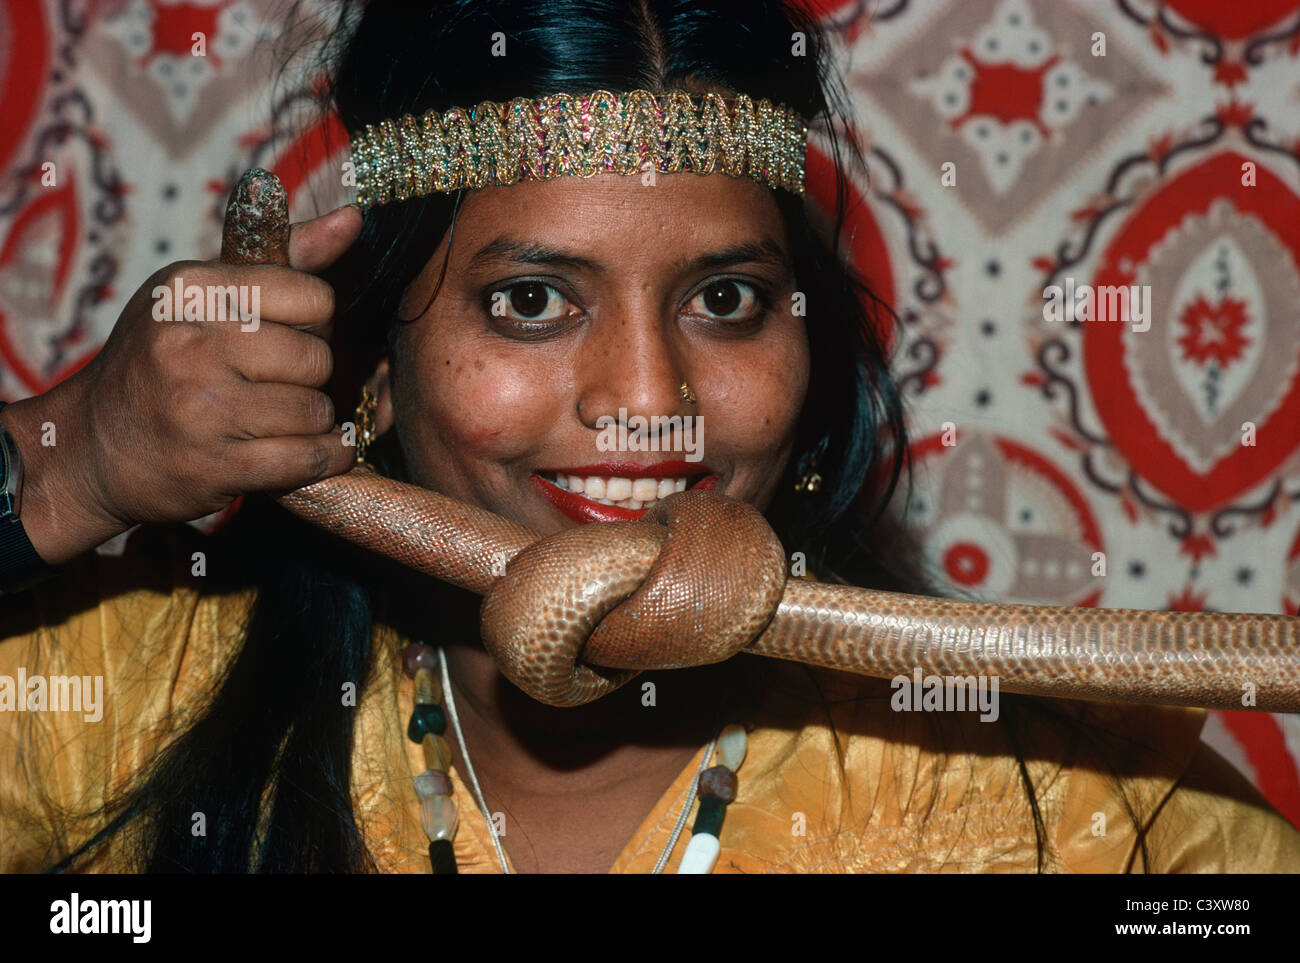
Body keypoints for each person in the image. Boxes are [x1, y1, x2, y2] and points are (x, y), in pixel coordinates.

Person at [2, 0, 1298, 874]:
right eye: (530, 301)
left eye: (725, 301)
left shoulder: (1074, 798)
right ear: (371, 374)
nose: (647, 400)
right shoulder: (126, 706)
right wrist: (61, 465)